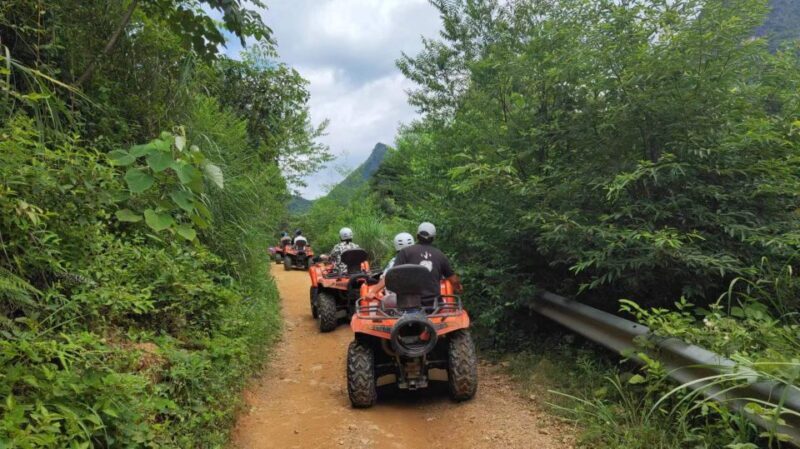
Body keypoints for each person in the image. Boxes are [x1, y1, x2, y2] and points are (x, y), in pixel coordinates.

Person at [366, 222, 462, 301]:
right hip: (433, 304)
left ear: (417, 236)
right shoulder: (440, 255)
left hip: (408, 304)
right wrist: (458, 288)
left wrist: (373, 291)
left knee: (385, 303)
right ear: (433, 238)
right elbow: (454, 280)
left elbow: (391, 276)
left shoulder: (405, 252)